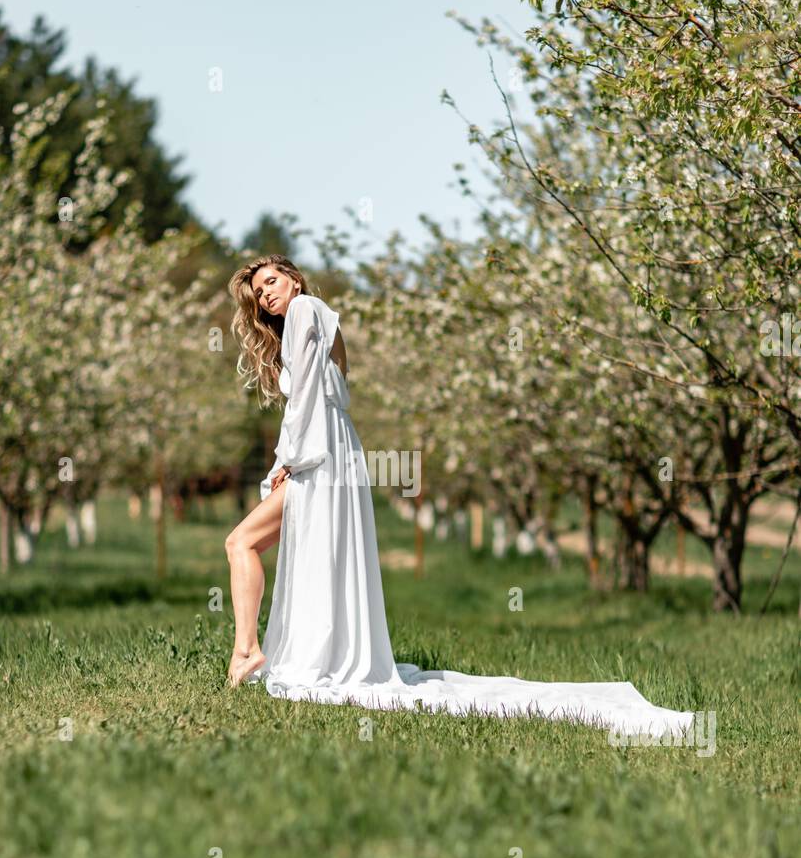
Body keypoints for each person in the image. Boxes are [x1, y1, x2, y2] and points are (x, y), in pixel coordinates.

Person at [225, 254, 695, 738]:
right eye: (259, 293)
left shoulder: (304, 311)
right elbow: (325, 394)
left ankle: (248, 649)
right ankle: (276, 649)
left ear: (294, 279)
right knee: (262, 546)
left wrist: (285, 463)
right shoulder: (326, 322)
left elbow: (302, 400)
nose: (266, 295)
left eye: (272, 282)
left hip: (318, 457)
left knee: (240, 542)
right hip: (335, 450)